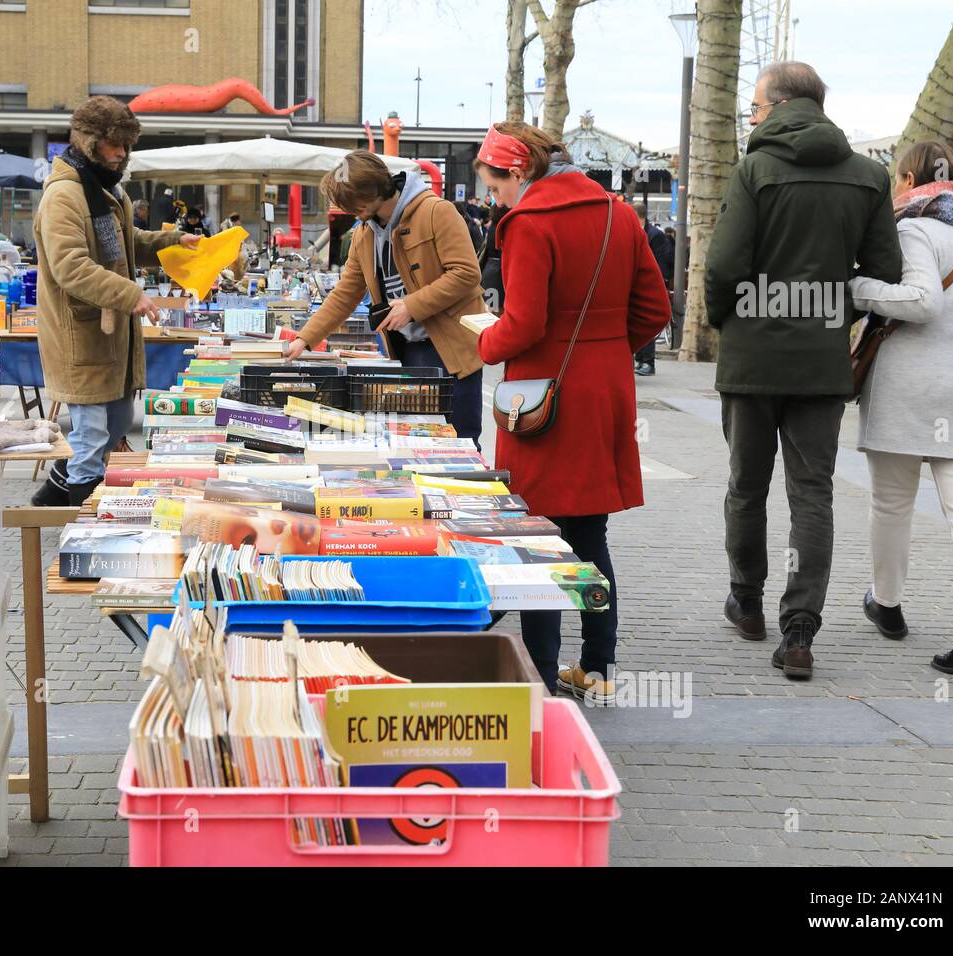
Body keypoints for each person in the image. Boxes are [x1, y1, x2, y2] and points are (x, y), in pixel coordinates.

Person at [705, 62, 902, 679]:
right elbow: (886, 274)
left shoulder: (755, 169)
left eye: (756, 106)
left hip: (753, 358)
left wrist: (727, 322)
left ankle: (748, 600)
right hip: (821, 361)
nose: (754, 116)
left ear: (781, 104)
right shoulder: (869, 176)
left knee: (746, 487)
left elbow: (723, 265)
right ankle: (799, 629)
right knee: (812, 494)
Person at [473, 122, 672, 701]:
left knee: (540, 536)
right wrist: (605, 348)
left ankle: (540, 673)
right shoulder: (618, 212)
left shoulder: (530, 224)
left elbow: (525, 322)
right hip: (604, 389)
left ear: (518, 171)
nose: (496, 200)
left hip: (543, 395)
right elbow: (656, 309)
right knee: (590, 534)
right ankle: (599, 668)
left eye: (495, 186)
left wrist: (485, 341)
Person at [848, 141, 953, 676]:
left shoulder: (911, 229)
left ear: (908, 179)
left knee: (891, 503)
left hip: (912, 389)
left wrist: (858, 287)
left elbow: (923, 302)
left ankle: (886, 605)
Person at [30, 96, 200, 506]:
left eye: (126, 144)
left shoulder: (108, 192)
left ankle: (54, 491)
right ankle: (80, 524)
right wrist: (130, 293)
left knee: (119, 421)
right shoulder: (64, 196)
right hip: (81, 338)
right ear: (90, 143)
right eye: (114, 145)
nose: (122, 153)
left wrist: (174, 240)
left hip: (112, 338)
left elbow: (129, 245)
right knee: (90, 436)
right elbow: (70, 266)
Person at [287, 150, 488, 444]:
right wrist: (304, 339)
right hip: (406, 349)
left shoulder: (437, 212)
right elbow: (345, 293)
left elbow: (466, 273)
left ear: (368, 195)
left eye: (351, 204)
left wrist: (411, 306)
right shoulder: (364, 233)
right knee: (417, 440)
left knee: (460, 440)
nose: (349, 212)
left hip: (452, 349)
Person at [632, 201, 673, 376]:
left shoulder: (654, 235)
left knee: (646, 318)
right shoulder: (637, 231)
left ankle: (647, 361)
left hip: (651, 283)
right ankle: (640, 359)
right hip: (636, 282)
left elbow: (661, 261)